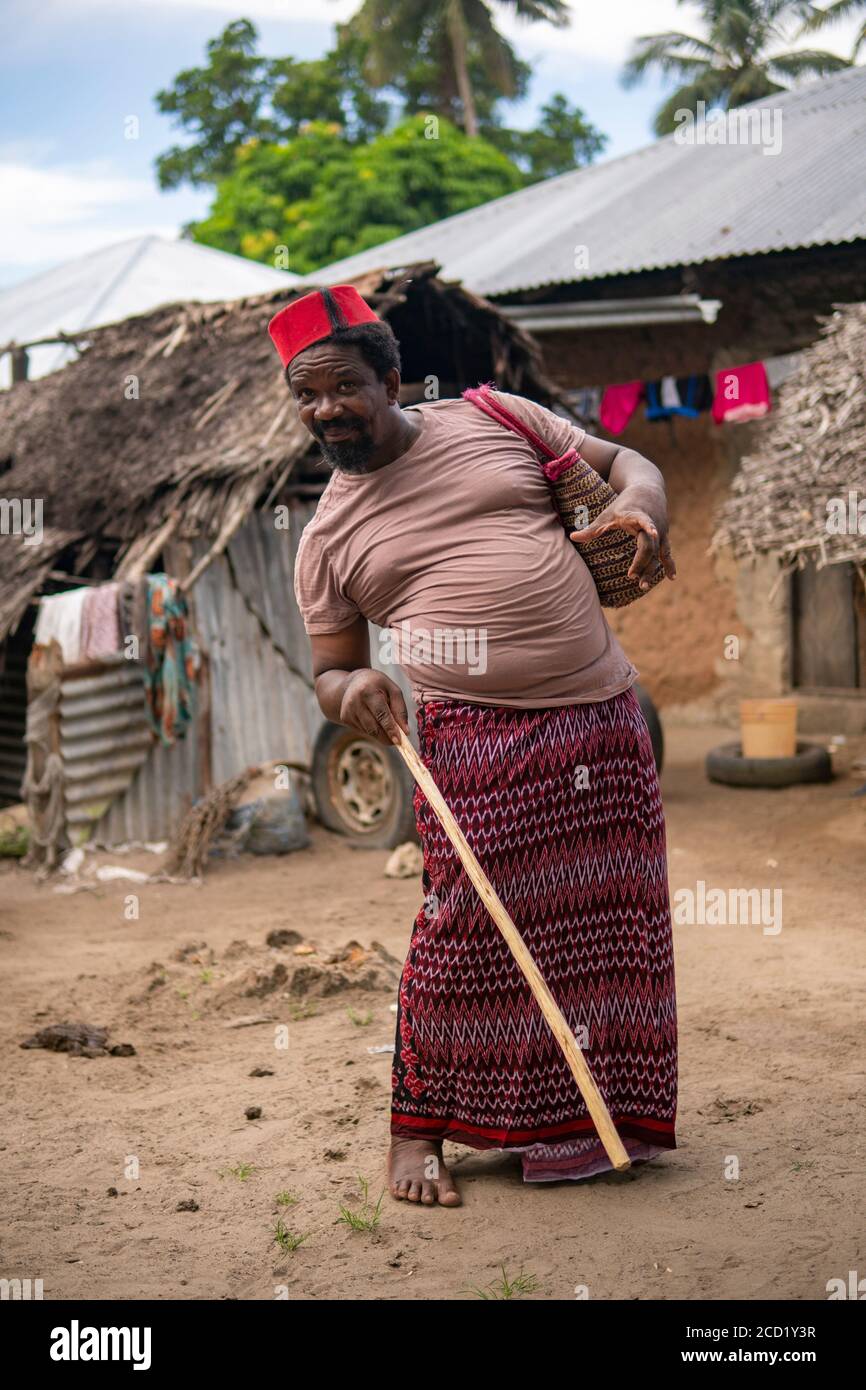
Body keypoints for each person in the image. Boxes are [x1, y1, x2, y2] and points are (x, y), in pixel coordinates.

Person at [269, 284, 678, 1207]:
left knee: (613, 926)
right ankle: (416, 1134)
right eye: (305, 395)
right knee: (467, 935)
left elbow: (631, 464)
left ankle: (590, 1124)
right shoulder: (327, 535)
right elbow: (330, 672)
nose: (324, 409)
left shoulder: (496, 417)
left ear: (392, 378)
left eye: (341, 386)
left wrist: (642, 510)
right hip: (471, 742)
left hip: (605, 720)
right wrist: (351, 691)